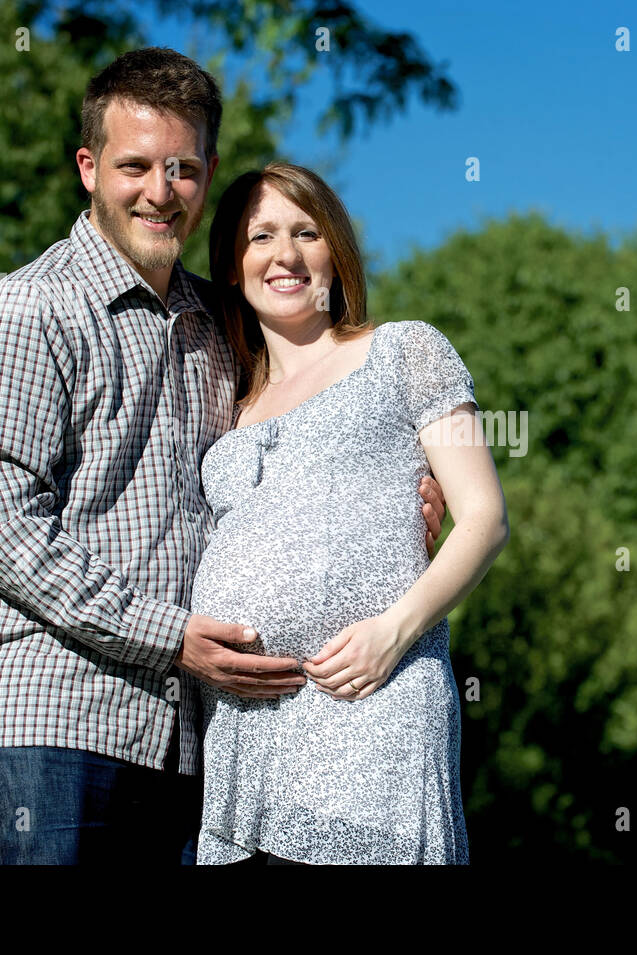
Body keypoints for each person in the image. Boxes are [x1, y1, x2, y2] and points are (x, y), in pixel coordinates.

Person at [0, 48, 448, 865]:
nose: (159, 190)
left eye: (181, 168)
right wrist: (171, 634)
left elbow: (298, 459)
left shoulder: (224, 326)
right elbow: (1, 526)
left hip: (192, 745)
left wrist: (396, 498)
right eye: (134, 166)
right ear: (88, 168)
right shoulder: (26, 311)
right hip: (47, 722)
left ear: (206, 175)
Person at [192, 162, 510, 865]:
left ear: (336, 253)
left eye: (307, 233)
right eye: (261, 236)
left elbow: (485, 517)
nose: (285, 254)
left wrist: (393, 632)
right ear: (233, 267)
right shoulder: (229, 408)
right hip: (245, 737)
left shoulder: (404, 351)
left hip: (370, 706)